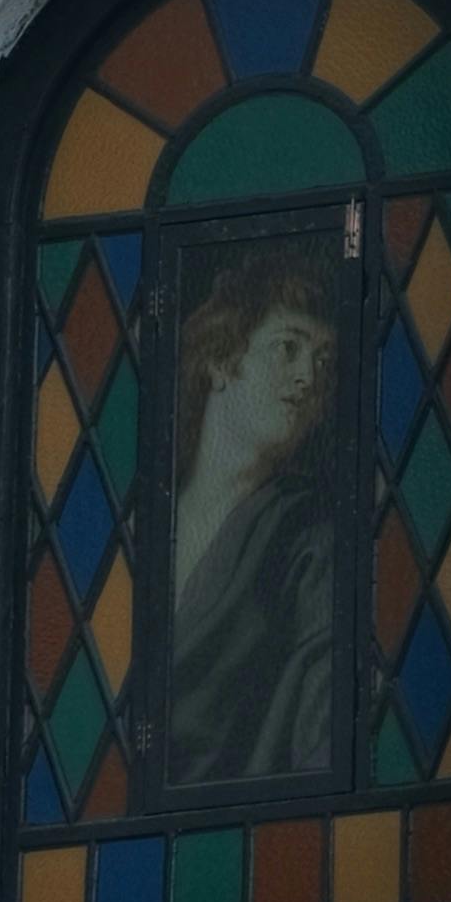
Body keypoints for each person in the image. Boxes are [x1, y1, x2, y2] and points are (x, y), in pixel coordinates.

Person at [162, 241, 342, 790]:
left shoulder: (312, 540)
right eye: (287, 348)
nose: (307, 379)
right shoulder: (136, 526)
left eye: (323, 362)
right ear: (221, 359)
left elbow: (321, 722)